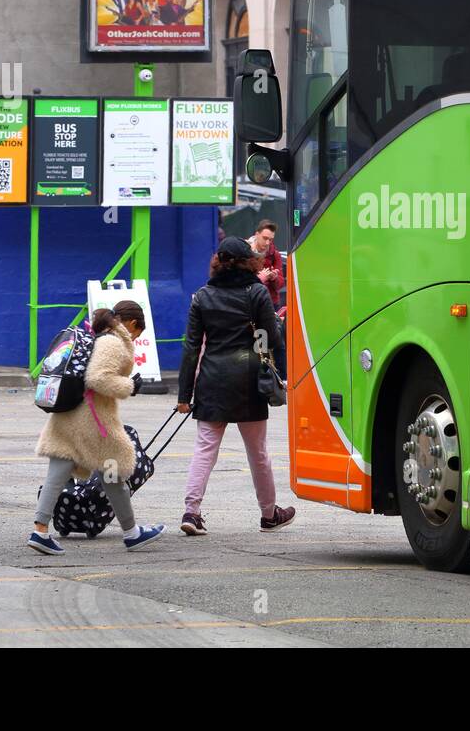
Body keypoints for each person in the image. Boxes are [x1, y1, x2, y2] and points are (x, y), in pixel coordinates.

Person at [177, 237, 293, 536]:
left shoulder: (202, 296)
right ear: (247, 262)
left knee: (204, 449)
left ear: (219, 261)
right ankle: (269, 514)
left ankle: (191, 512)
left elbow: (191, 348)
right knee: (258, 452)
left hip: (211, 381)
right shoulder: (257, 293)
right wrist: (273, 356)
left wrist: (184, 395)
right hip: (249, 380)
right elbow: (271, 339)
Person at [28, 301, 164, 554]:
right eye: (137, 334)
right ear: (133, 324)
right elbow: (98, 378)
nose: (135, 339)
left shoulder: (97, 335)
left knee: (61, 474)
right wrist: (130, 386)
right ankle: (132, 533)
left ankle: (40, 530)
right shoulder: (112, 342)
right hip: (92, 423)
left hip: (69, 416)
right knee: (112, 473)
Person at [248, 219, 284, 311]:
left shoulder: (275, 255)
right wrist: (258, 279)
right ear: (257, 234)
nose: (267, 243)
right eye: (265, 238)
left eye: (270, 239)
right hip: (250, 301)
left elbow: (280, 284)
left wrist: (274, 278)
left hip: (270, 302)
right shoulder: (244, 251)